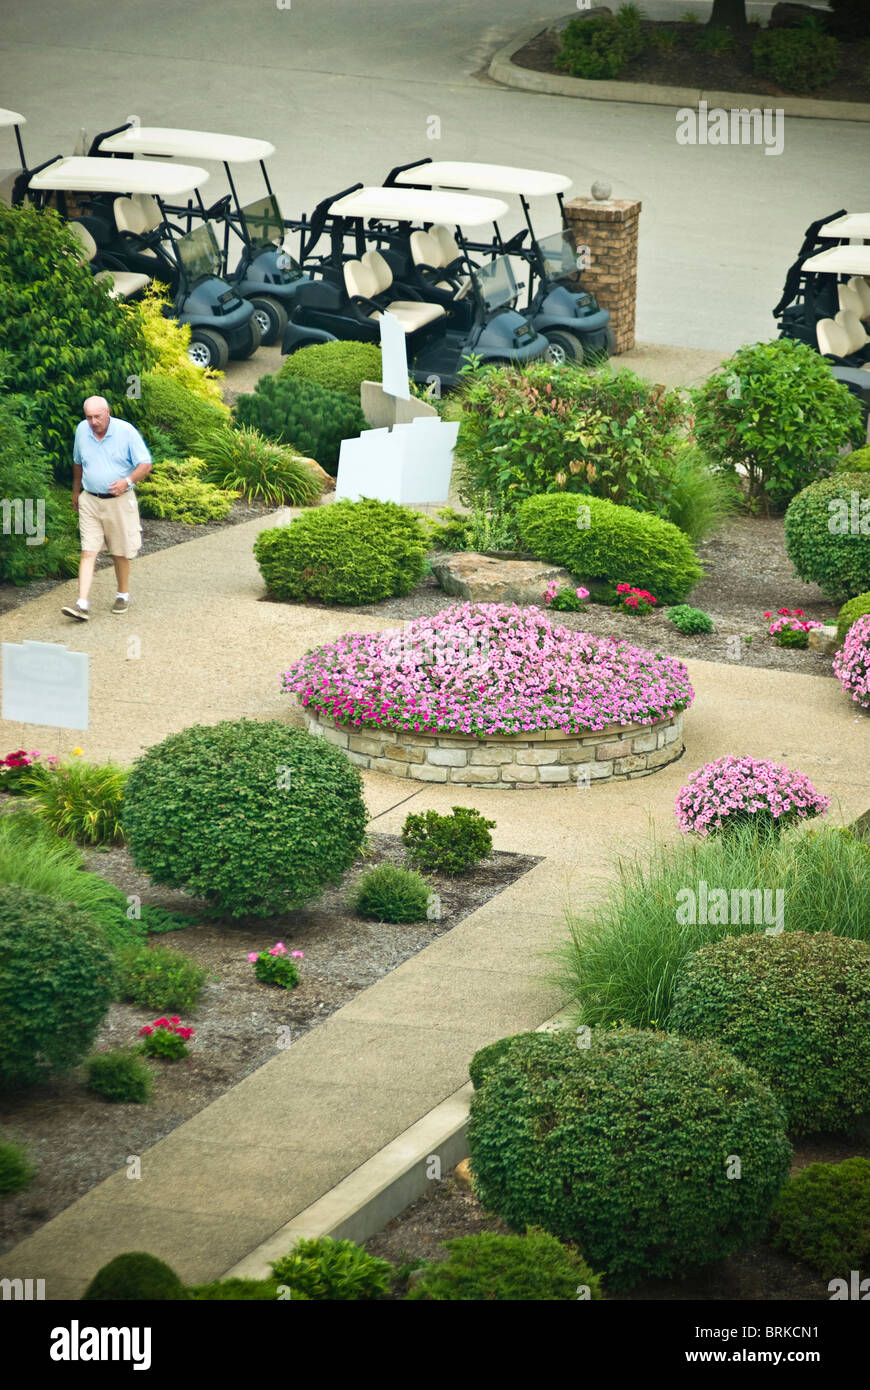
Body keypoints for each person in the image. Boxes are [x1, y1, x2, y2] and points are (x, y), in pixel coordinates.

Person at [62, 397, 152, 621]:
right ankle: (82, 604)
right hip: (90, 500)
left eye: (97, 417)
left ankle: (122, 594)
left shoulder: (126, 431)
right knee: (88, 550)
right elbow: (77, 463)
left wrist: (127, 481)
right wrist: (76, 491)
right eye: (89, 417)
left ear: (108, 413)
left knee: (120, 552)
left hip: (119, 502)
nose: (93, 422)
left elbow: (145, 464)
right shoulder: (82, 430)